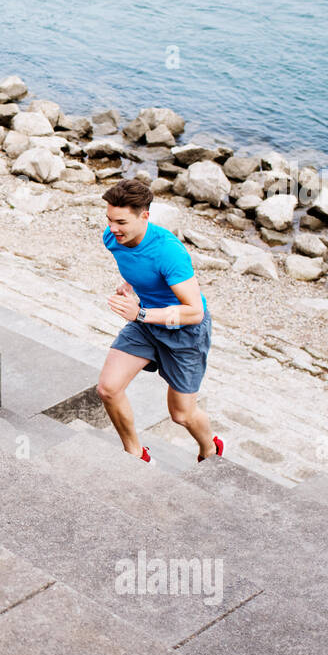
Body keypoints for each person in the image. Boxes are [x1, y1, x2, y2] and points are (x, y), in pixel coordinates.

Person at [95, 177, 223, 463]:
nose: (113, 228)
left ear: (145, 217)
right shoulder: (113, 238)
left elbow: (195, 311)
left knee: (181, 414)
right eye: (109, 220)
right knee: (108, 388)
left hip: (184, 332)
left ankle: (210, 448)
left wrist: (139, 313)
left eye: (121, 222)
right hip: (146, 324)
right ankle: (136, 454)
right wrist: (129, 285)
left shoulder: (169, 252)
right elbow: (136, 267)